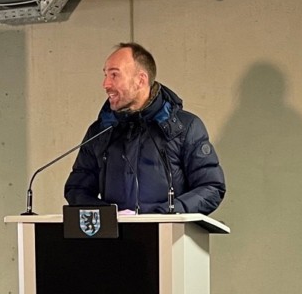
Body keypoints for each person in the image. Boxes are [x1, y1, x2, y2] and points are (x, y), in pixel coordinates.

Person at [63, 42, 225, 215]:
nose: (105, 84)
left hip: (170, 237)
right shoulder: (100, 131)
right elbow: (77, 189)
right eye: (105, 75)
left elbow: (211, 187)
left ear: (140, 80)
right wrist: (109, 216)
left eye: (114, 75)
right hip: (113, 239)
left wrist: (164, 215)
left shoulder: (185, 128)